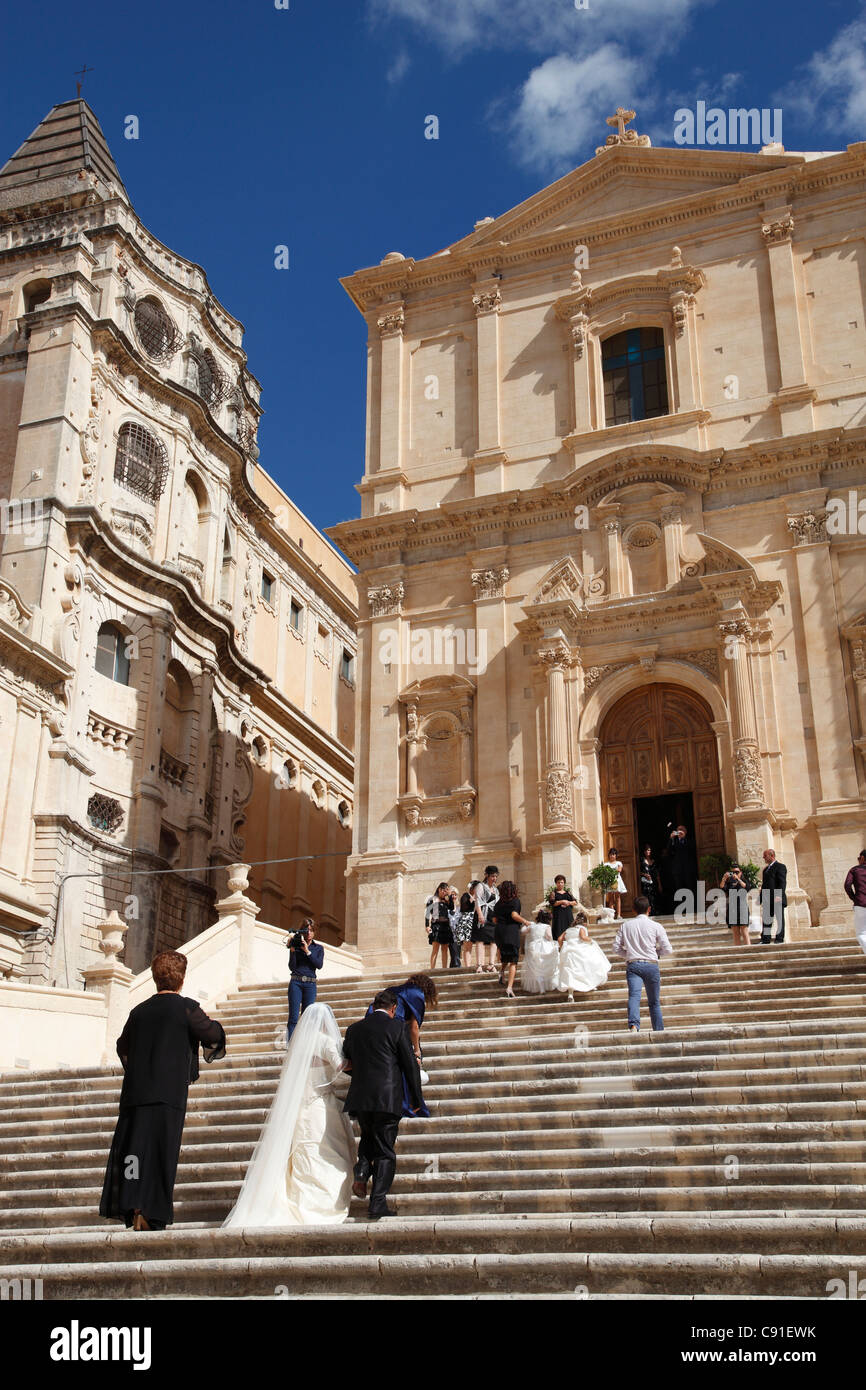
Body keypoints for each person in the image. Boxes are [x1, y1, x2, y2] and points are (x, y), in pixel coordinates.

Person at [99, 949, 225, 1231]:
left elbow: (123, 1048)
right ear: (181, 979)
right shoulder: (186, 1008)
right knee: (160, 1151)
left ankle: (134, 1206)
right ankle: (152, 1212)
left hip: (136, 1094)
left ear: (156, 979)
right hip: (167, 1095)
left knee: (134, 1153)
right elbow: (212, 1035)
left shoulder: (139, 1011)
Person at [223, 1003, 354, 1227]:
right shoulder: (326, 1042)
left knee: (304, 1152)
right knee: (327, 1153)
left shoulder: (298, 1044)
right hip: (321, 1106)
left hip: (300, 1108)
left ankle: (298, 1198)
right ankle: (320, 1204)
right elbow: (340, 1067)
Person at [343, 988, 424, 1221]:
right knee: (385, 1151)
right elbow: (410, 1066)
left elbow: (348, 1063)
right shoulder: (397, 1027)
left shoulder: (354, 1029)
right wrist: (417, 1100)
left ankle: (361, 1171)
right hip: (387, 1098)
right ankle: (377, 1203)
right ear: (393, 1008)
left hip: (361, 1098)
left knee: (368, 1138)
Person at [366, 973, 437, 1116]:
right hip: (395, 1029)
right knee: (405, 1066)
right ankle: (409, 1104)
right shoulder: (417, 993)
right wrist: (416, 1051)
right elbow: (414, 1027)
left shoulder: (393, 989)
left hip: (373, 1024)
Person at [613, 896, 673, 1033]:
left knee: (634, 996)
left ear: (633, 910)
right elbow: (668, 949)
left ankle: (634, 1025)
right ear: (649, 909)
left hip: (633, 965)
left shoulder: (625, 926)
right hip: (651, 965)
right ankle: (658, 1029)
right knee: (654, 1001)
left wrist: (629, 954)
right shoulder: (656, 926)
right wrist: (657, 952)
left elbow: (615, 948)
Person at [554, 911, 612, 1002]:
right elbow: (583, 937)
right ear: (584, 922)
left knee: (570, 972)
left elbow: (559, 939)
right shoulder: (582, 928)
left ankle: (570, 994)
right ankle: (590, 985)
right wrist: (591, 940)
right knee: (587, 966)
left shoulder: (568, 930)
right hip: (579, 950)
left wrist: (563, 947)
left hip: (568, 951)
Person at [491, 880, 532, 998]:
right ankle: (509, 988)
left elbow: (494, 920)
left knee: (505, 955)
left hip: (499, 932)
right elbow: (514, 915)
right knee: (513, 961)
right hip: (511, 931)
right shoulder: (515, 901)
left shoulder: (498, 904)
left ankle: (501, 972)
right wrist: (525, 922)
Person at [287, 918, 324, 1042]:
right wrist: (292, 951)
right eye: (306, 930)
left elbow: (318, 965)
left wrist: (307, 951)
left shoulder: (318, 948)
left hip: (310, 984)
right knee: (293, 1017)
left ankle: (304, 1044)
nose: (309, 933)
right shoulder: (296, 945)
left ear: (314, 932)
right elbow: (292, 966)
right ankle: (291, 1045)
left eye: (311, 930)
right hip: (296, 982)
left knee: (307, 1016)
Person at [520, 908, 559, 994]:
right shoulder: (547, 926)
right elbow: (549, 936)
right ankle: (550, 983)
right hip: (544, 946)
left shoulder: (532, 926)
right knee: (545, 965)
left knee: (535, 967)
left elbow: (523, 931)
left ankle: (541, 987)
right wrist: (552, 942)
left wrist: (528, 924)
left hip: (533, 947)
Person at [469, 866, 499, 974]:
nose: (494, 878)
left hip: (492, 916)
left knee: (494, 940)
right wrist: (480, 915)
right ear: (487, 875)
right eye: (492, 876)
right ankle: (479, 965)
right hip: (482, 914)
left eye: (495, 876)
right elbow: (478, 902)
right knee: (480, 940)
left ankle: (491, 964)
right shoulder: (481, 886)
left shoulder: (495, 889)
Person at [425, 882, 459, 969]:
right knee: (435, 949)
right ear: (440, 889)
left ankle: (444, 969)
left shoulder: (446, 901)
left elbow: (451, 907)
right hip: (436, 925)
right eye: (444, 891)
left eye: (447, 891)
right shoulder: (432, 899)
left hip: (445, 926)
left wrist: (450, 897)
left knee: (444, 949)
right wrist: (427, 926)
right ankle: (432, 969)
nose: (445, 893)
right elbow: (428, 913)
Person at [760, 849, 787, 944]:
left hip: (777, 898)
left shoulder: (780, 867)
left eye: (765, 855)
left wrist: (779, 895)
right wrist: (761, 898)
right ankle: (765, 939)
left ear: (772, 855)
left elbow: (782, 882)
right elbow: (764, 885)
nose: (763, 858)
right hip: (767, 899)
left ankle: (779, 938)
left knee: (779, 919)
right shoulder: (765, 870)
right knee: (766, 919)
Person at [720, 862, 750, 946]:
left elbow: (747, 887)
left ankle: (749, 950)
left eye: (737, 872)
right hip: (732, 908)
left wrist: (738, 879)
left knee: (744, 930)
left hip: (742, 907)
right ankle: (738, 952)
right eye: (733, 872)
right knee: (735, 932)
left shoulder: (743, 881)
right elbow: (722, 887)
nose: (735, 874)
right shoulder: (730, 883)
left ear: (740, 872)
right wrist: (724, 878)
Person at [843, 849, 866, 955]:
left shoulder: (855, 870)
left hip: (861, 904)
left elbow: (847, 885)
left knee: (862, 933)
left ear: (862, 858)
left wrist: (854, 898)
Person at [669, 825, 696, 907]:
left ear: (686, 832)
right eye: (678, 830)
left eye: (682, 830)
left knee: (690, 888)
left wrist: (684, 838)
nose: (680, 831)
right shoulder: (674, 841)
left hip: (688, 870)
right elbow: (670, 852)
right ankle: (680, 909)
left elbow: (692, 849)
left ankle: (692, 907)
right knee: (679, 890)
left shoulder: (689, 840)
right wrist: (671, 839)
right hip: (678, 870)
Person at [547, 874, 580, 940]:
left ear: (564, 883)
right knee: (558, 931)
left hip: (568, 915)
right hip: (558, 916)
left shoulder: (568, 892)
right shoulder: (553, 893)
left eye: (562, 882)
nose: (560, 884)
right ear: (556, 883)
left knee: (569, 930)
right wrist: (562, 901)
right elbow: (552, 903)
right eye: (558, 882)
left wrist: (568, 903)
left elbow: (575, 902)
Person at [451, 892, 475, 968]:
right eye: (452, 895)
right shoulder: (465, 896)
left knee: (466, 947)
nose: (454, 896)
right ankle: (465, 966)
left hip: (465, 926)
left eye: (455, 894)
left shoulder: (459, 907)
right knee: (464, 947)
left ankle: (465, 965)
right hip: (458, 928)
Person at [606, 847, 627, 918]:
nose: (612, 856)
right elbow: (606, 872)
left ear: (616, 855)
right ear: (609, 855)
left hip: (617, 880)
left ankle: (618, 915)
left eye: (614, 854)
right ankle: (611, 915)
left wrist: (610, 872)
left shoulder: (619, 863)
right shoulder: (606, 864)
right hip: (609, 881)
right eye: (611, 854)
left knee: (618, 897)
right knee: (611, 898)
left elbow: (619, 870)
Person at [639, 846, 660, 915]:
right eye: (647, 850)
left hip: (654, 882)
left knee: (654, 897)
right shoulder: (641, 860)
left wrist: (659, 884)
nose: (649, 852)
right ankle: (647, 913)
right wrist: (645, 875)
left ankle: (654, 912)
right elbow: (638, 872)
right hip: (645, 882)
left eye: (650, 850)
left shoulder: (653, 861)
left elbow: (657, 873)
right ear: (644, 851)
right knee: (647, 897)